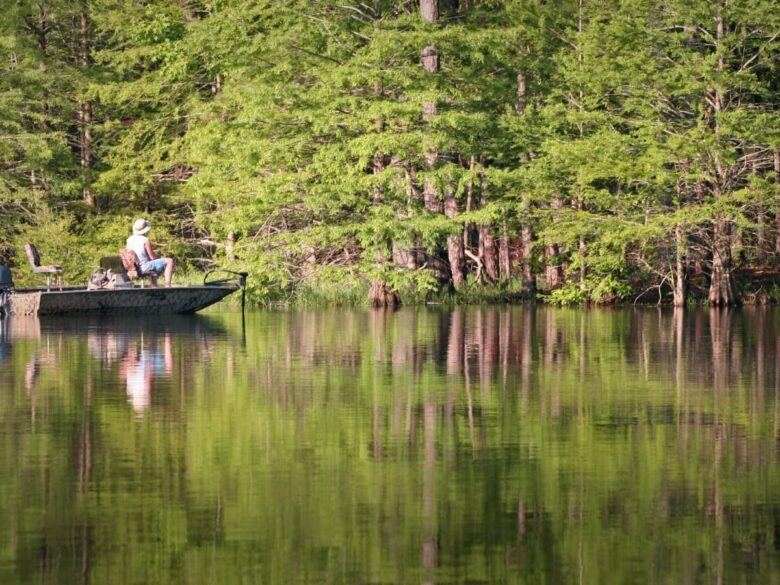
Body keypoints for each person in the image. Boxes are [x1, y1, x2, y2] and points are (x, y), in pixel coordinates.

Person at [126, 218, 175, 287]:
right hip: (143, 267)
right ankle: (168, 285)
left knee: (152, 265)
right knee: (169, 261)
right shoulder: (145, 240)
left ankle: (154, 287)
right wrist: (158, 256)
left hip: (132, 267)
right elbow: (152, 257)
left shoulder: (129, 239)